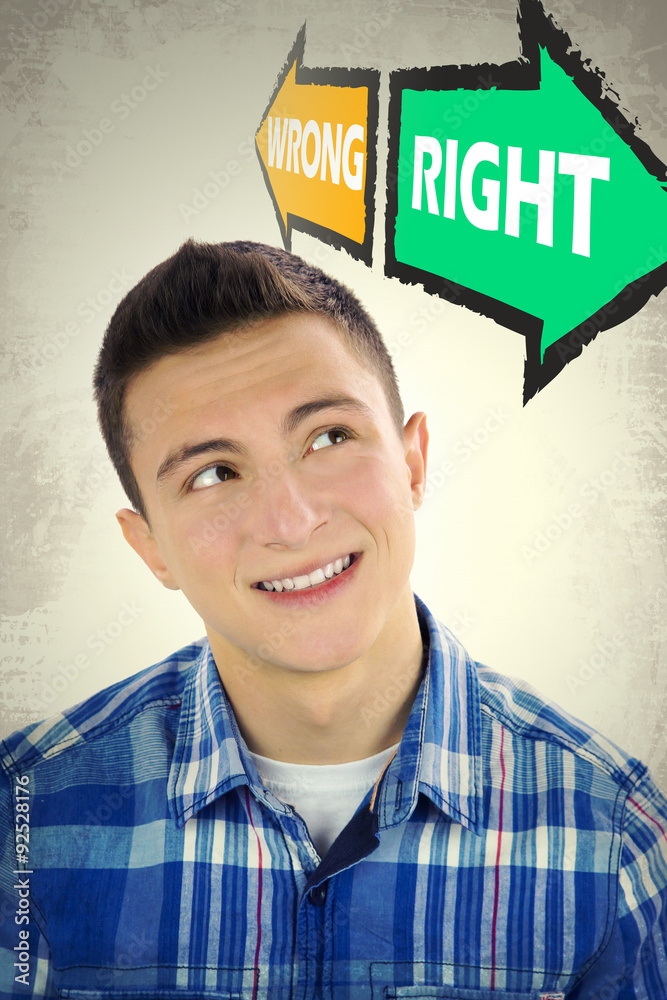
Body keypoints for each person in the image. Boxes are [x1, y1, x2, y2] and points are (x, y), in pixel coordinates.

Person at [0, 239, 665, 1000]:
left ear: (412, 462)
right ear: (149, 546)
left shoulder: (613, 833)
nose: (290, 520)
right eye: (213, 474)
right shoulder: (23, 822)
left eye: (327, 437)